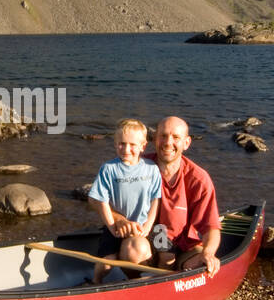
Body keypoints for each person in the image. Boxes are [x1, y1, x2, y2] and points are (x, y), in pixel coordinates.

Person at [144, 116, 221, 276]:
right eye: (163, 136)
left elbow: (211, 228)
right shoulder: (138, 168)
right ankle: (134, 285)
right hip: (146, 241)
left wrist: (208, 253)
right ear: (154, 139)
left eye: (176, 137)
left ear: (186, 143)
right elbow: (98, 199)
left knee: (200, 265)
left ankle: (169, 276)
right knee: (133, 250)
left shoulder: (198, 179)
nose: (167, 142)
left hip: (184, 246)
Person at [87, 118, 162, 283]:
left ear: (143, 146)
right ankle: (95, 281)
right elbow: (102, 201)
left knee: (155, 253)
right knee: (106, 263)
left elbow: (155, 200)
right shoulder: (109, 169)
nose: (126, 149)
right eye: (121, 143)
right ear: (115, 144)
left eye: (132, 145)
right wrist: (112, 226)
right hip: (116, 227)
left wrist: (148, 226)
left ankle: (138, 281)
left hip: (142, 226)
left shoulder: (151, 169)